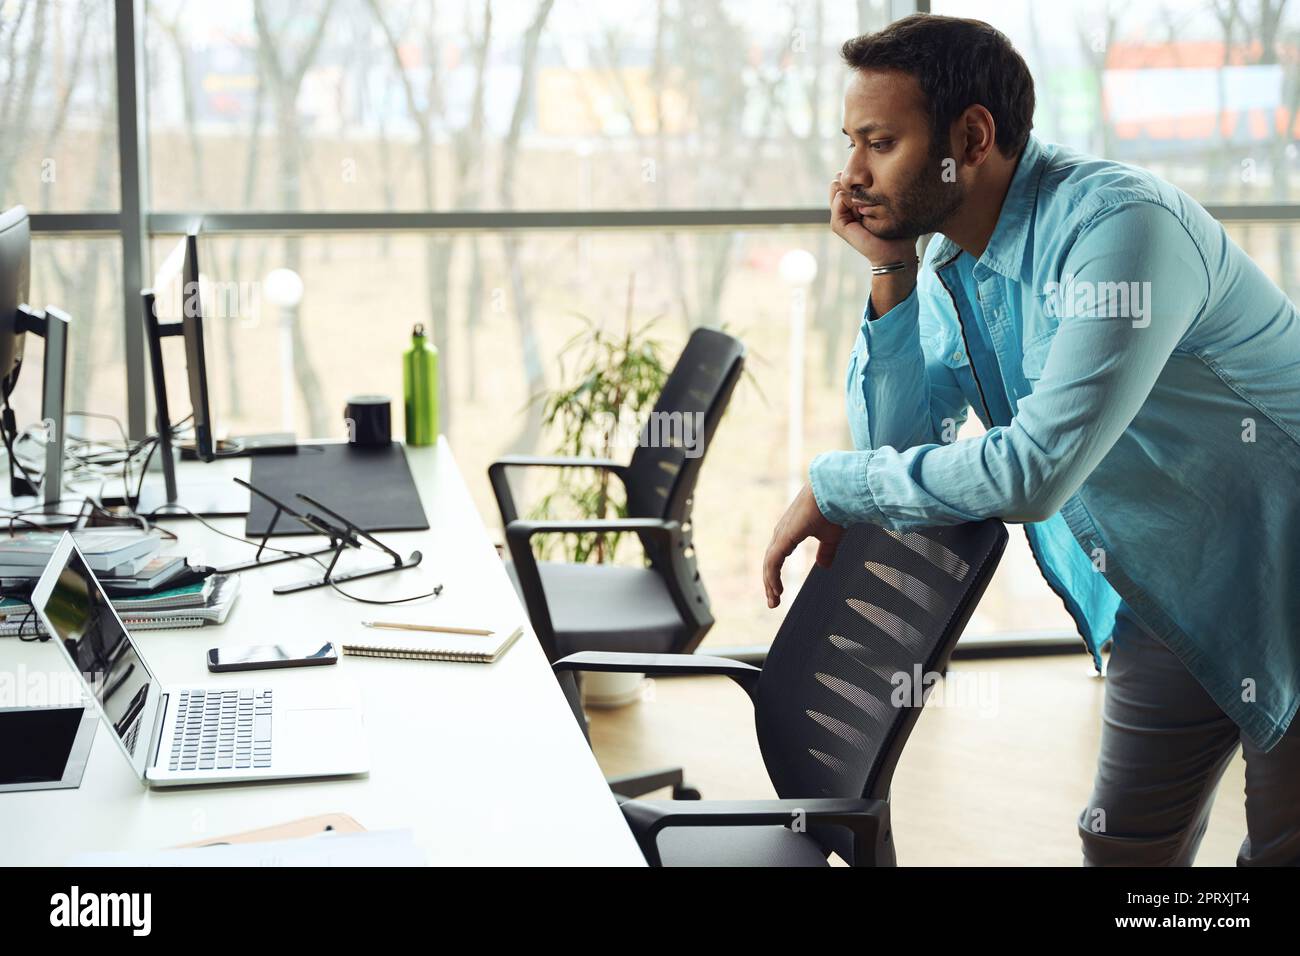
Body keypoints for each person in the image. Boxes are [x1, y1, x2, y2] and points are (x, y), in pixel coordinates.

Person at [761, 13, 1300, 866]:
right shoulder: (952, 263)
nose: (851, 173)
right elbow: (901, 449)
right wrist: (890, 272)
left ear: (970, 137)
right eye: (851, 141)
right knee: (1125, 847)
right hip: (1182, 580)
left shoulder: (1120, 229)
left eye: (880, 141)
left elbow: (1035, 471)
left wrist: (833, 484)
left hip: (1289, 556)